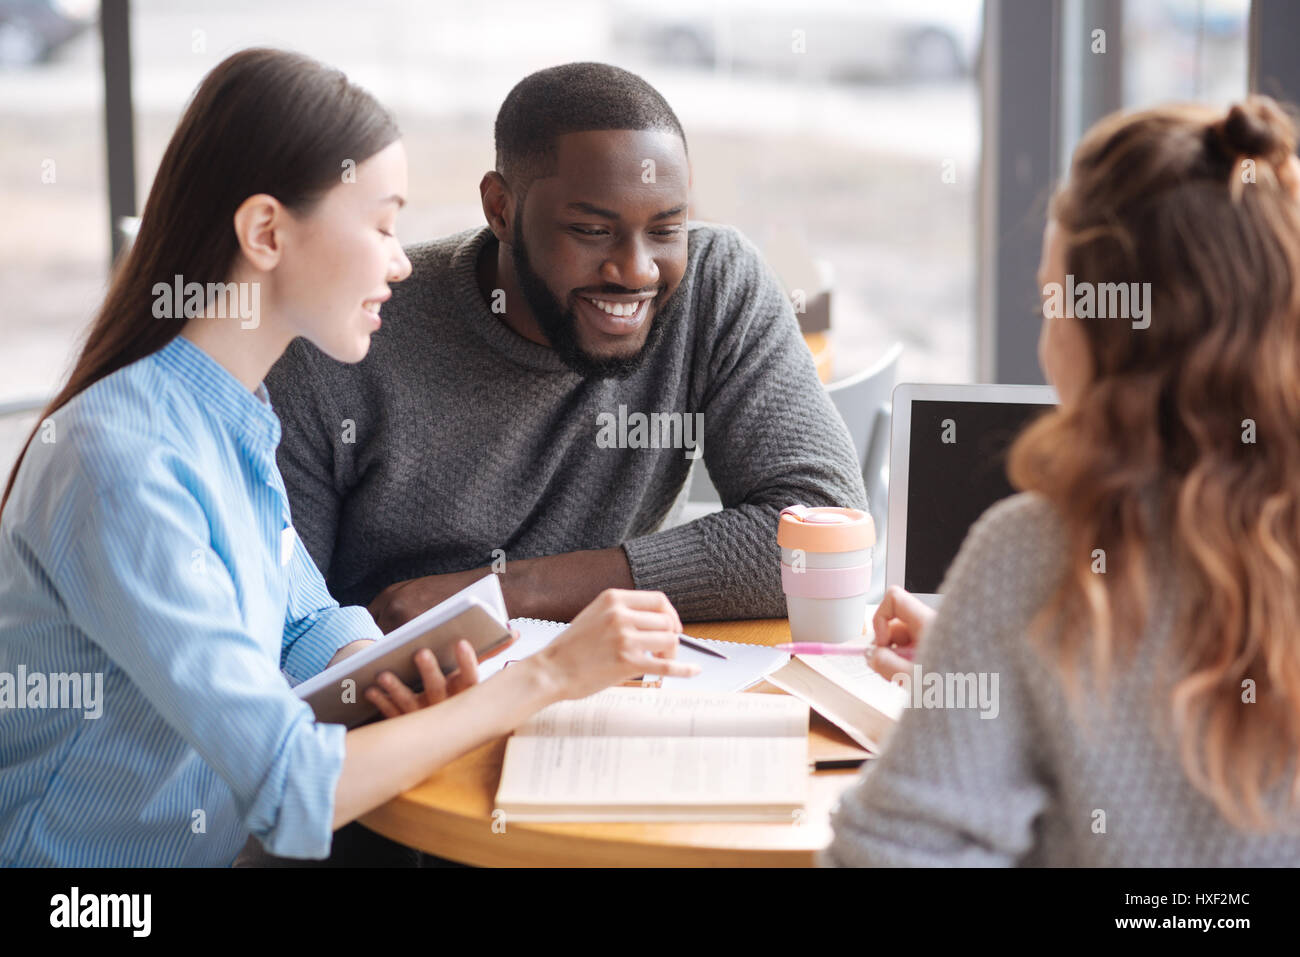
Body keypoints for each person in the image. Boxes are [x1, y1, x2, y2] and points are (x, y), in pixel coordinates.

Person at [0, 48, 697, 868]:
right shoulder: (123, 459)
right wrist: (545, 679)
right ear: (266, 232)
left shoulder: (231, 414)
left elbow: (304, 623)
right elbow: (292, 785)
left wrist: (390, 670)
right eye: (380, 222)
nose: (401, 260)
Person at [826, 96, 1300, 866]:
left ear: (1112, 336)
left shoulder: (1036, 553)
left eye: (1054, 304)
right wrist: (985, 666)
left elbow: (888, 855)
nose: (1045, 345)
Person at [264, 62, 866, 635]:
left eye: (666, 229)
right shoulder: (344, 337)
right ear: (500, 209)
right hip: (407, 706)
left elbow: (824, 534)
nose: (635, 271)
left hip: (612, 682)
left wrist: (502, 592)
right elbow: (285, 626)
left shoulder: (715, 283)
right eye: (591, 231)